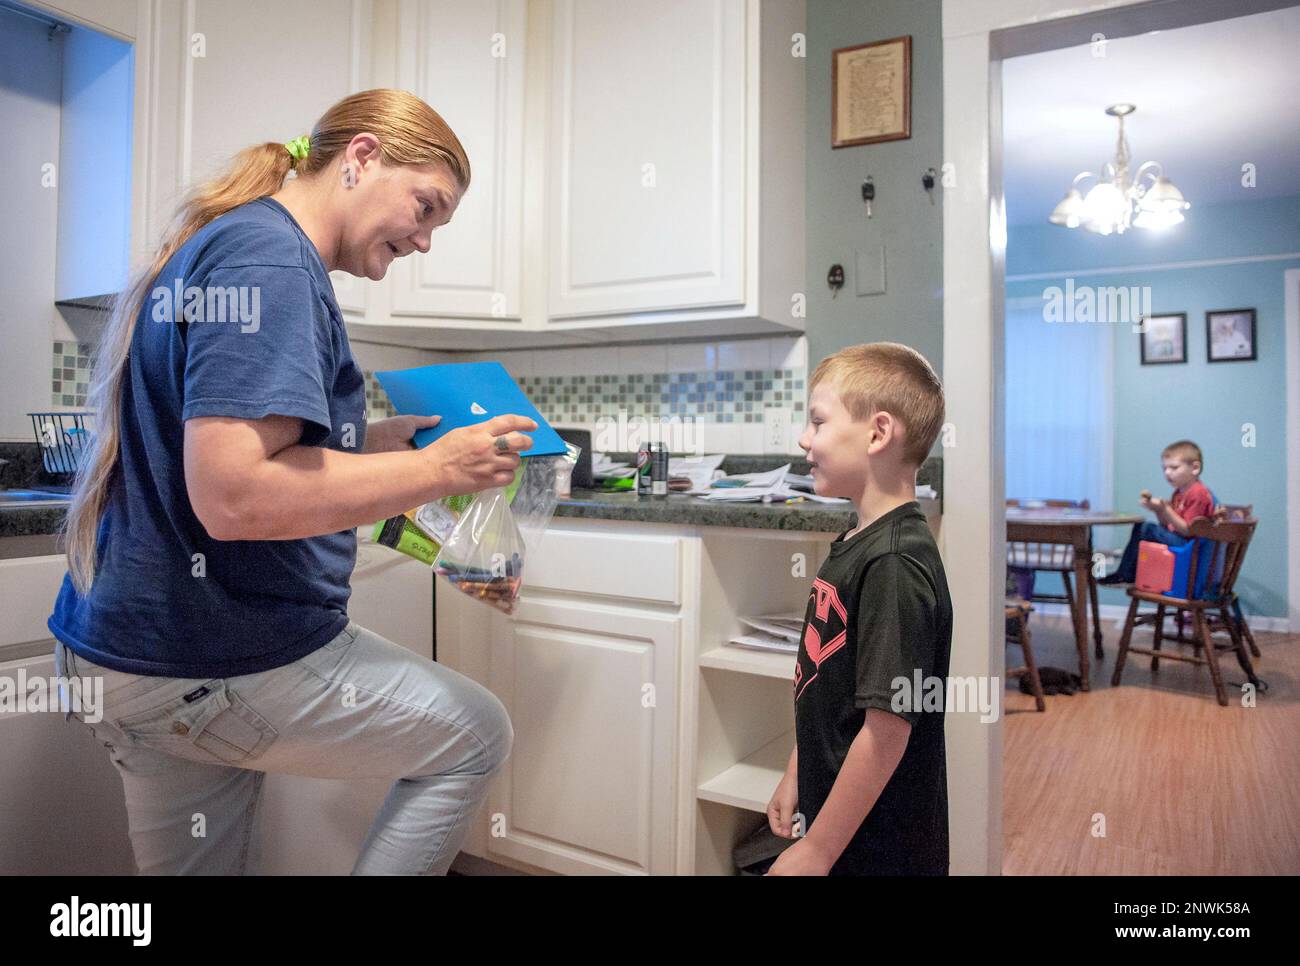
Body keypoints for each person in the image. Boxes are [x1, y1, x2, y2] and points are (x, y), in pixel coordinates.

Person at [48, 89, 539, 875]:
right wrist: (439, 469)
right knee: (475, 735)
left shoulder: (236, 243)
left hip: (134, 654)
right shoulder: (271, 260)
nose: (424, 241)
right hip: (210, 655)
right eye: (425, 206)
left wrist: (370, 443)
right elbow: (236, 496)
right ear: (364, 156)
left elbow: (239, 450)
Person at [765, 342, 953, 875]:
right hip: (843, 824)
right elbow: (828, 679)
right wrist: (798, 772)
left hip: (881, 847)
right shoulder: (860, 539)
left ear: (877, 433)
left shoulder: (894, 564)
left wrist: (818, 849)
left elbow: (887, 729)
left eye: (818, 422)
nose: (804, 439)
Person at [1098, 440, 1214, 585]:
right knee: (1142, 526)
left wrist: (1166, 509)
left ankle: (1126, 574)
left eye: (1174, 467)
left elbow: (1188, 530)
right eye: (1164, 468)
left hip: (1191, 547)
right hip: (1180, 541)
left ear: (1195, 468)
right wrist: (1159, 510)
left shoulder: (1198, 493)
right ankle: (1126, 574)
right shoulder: (1178, 493)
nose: (1167, 473)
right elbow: (1167, 526)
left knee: (1146, 528)